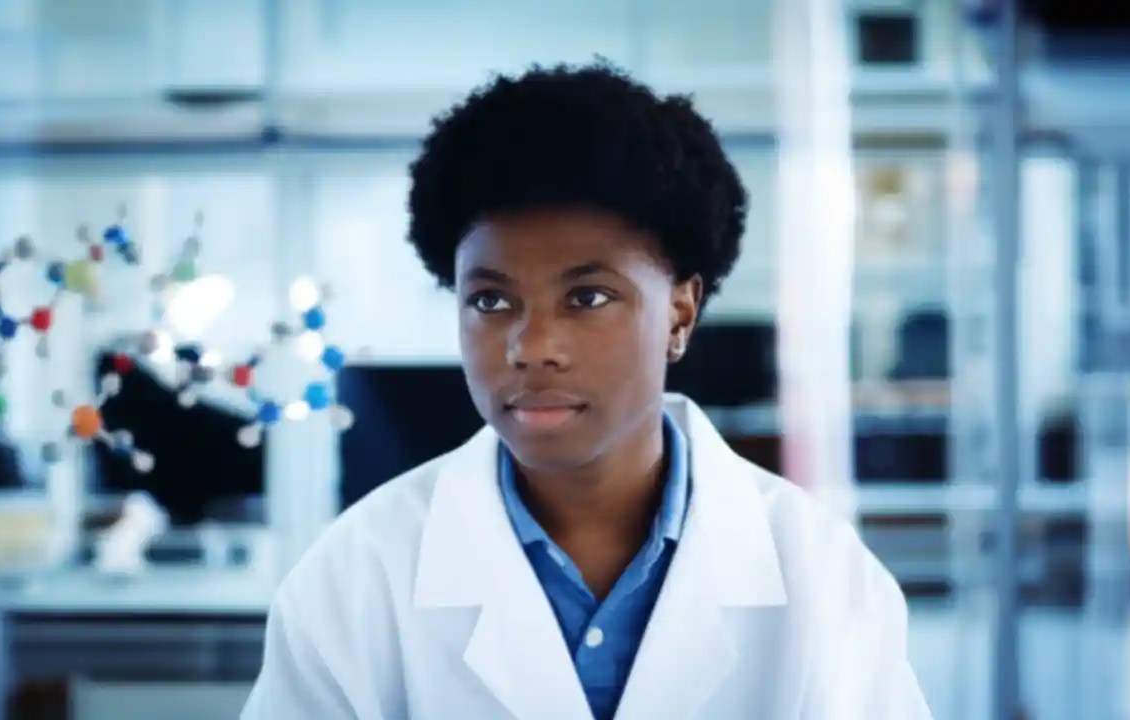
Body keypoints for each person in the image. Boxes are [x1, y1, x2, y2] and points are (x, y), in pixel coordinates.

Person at [242, 62, 932, 720]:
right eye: (489, 301)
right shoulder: (356, 577)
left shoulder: (821, 573)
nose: (530, 346)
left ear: (681, 312)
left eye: (588, 296)